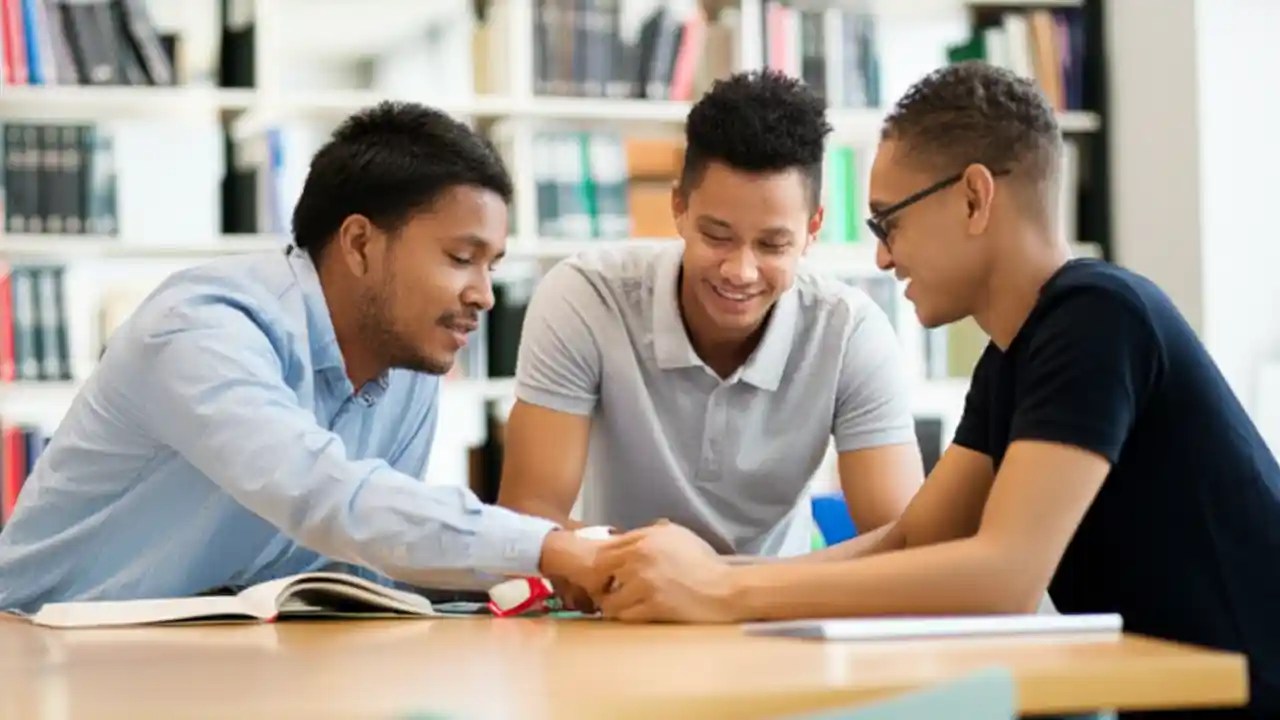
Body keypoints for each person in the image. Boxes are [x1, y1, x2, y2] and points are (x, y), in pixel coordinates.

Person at [586, 62, 1280, 718]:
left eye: (889, 222)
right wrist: (697, 576)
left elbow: (1003, 578)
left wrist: (725, 587)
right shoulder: (1013, 357)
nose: (884, 256)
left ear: (975, 197)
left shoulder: (1099, 316)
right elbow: (914, 540)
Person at [0, 102, 600, 613]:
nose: (484, 294)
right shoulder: (201, 324)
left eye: (491, 265)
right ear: (360, 243)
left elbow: (363, 566)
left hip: (227, 667)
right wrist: (548, 546)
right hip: (41, 654)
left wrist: (561, 569)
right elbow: (326, 495)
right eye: (461, 258)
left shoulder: (408, 366)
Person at [496, 69, 924, 566]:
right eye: (717, 236)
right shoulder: (586, 297)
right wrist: (662, 572)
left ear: (812, 230)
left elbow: (901, 543)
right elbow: (529, 519)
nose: (740, 271)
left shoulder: (851, 331)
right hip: (617, 610)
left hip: (776, 614)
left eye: (772, 245)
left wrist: (719, 586)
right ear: (678, 206)